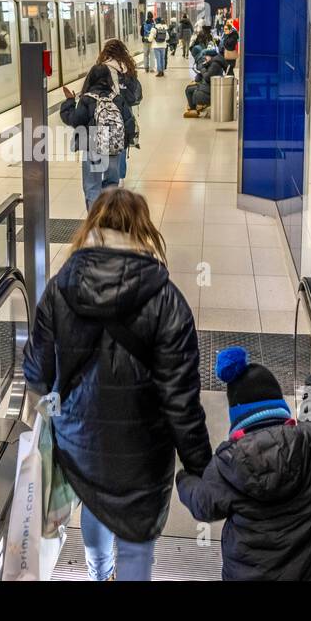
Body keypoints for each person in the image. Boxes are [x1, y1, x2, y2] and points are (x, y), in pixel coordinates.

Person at [24, 188, 212, 581]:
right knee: (137, 531)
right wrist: (201, 465)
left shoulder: (59, 289)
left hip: (79, 437)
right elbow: (181, 401)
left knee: (94, 502)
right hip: (144, 449)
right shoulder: (168, 301)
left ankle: (99, 573)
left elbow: (37, 372)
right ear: (143, 231)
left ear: (93, 227)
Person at [177, 345, 311, 581]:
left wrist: (183, 480)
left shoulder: (227, 464)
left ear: (238, 419)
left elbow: (203, 504)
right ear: (280, 409)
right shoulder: (309, 441)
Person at [61, 63, 135, 209]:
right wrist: (122, 144)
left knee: (92, 187)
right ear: (109, 79)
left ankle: (95, 224)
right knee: (112, 184)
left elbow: (75, 120)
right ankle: (109, 219)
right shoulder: (117, 98)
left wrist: (69, 102)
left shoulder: (87, 99)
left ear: (90, 79)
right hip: (114, 145)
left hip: (93, 145)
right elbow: (129, 123)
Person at [96, 39, 142, 180]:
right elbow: (134, 91)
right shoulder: (127, 67)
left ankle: (106, 174)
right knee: (121, 143)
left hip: (105, 111)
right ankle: (119, 176)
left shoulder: (100, 68)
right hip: (124, 111)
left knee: (105, 142)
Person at [184, 51, 229, 117]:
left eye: (206, 56)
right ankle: (193, 109)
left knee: (188, 90)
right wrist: (205, 66)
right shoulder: (214, 63)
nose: (205, 58)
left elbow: (207, 77)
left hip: (210, 90)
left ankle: (193, 110)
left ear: (210, 57)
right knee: (189, 88)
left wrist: (203, 68)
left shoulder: (215, 65)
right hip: (210, 86)